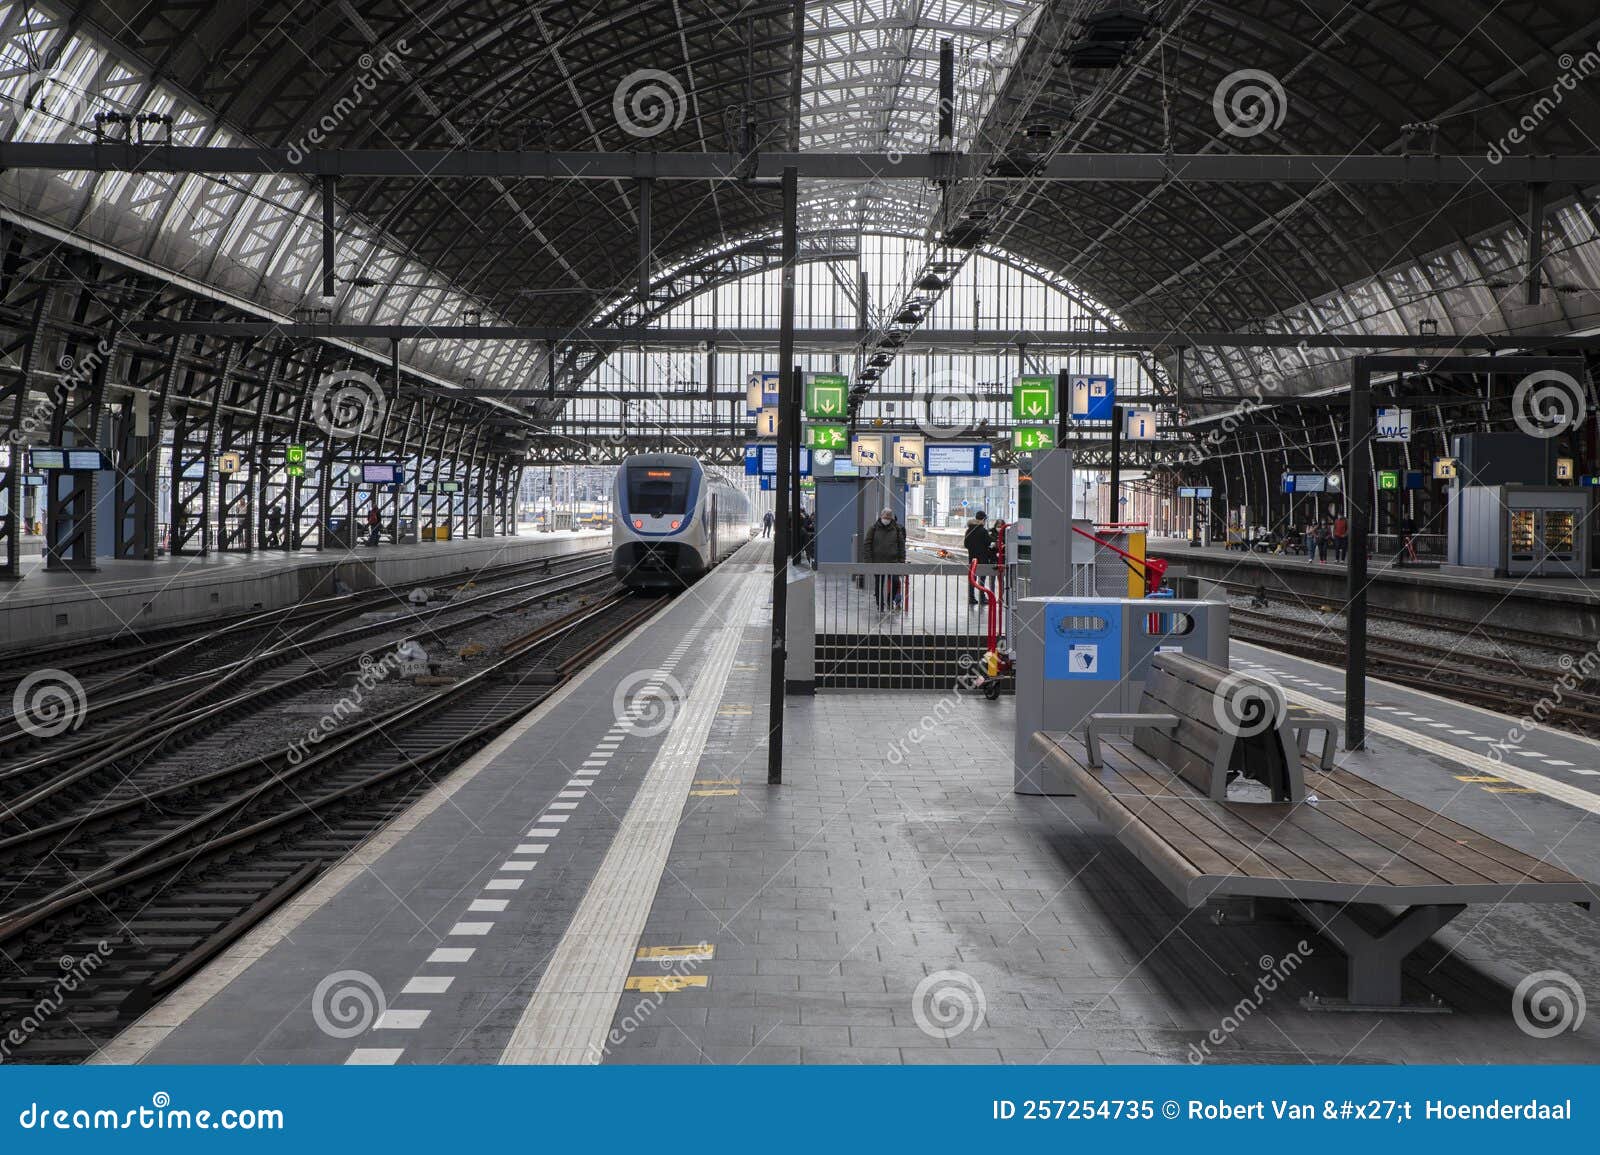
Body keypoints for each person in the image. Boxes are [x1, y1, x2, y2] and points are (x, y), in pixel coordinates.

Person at [863, 506, 906, 610]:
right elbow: (867, 544)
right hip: (878, 561)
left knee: (896, 582)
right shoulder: (873, 528)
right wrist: (869, 561)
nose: (886, 519)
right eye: (885, 517)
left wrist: (901, 560)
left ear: (891, 518)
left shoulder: (897, 529)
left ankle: (889, 600)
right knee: (879, 584)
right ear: (881, 516)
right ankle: (880, 604)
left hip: (893, 562)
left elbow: (901, 545)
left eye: (888, 518)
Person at [964, 509, 998, 607]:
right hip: (983, 558)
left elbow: (966, 544)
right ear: (983, 519)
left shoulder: (969, 530)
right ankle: (982, 598)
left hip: (972, 559)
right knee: (982, 579)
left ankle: (971, 598)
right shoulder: (982, 530)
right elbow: (989, 542)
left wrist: (973, 548)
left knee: (972, 579)